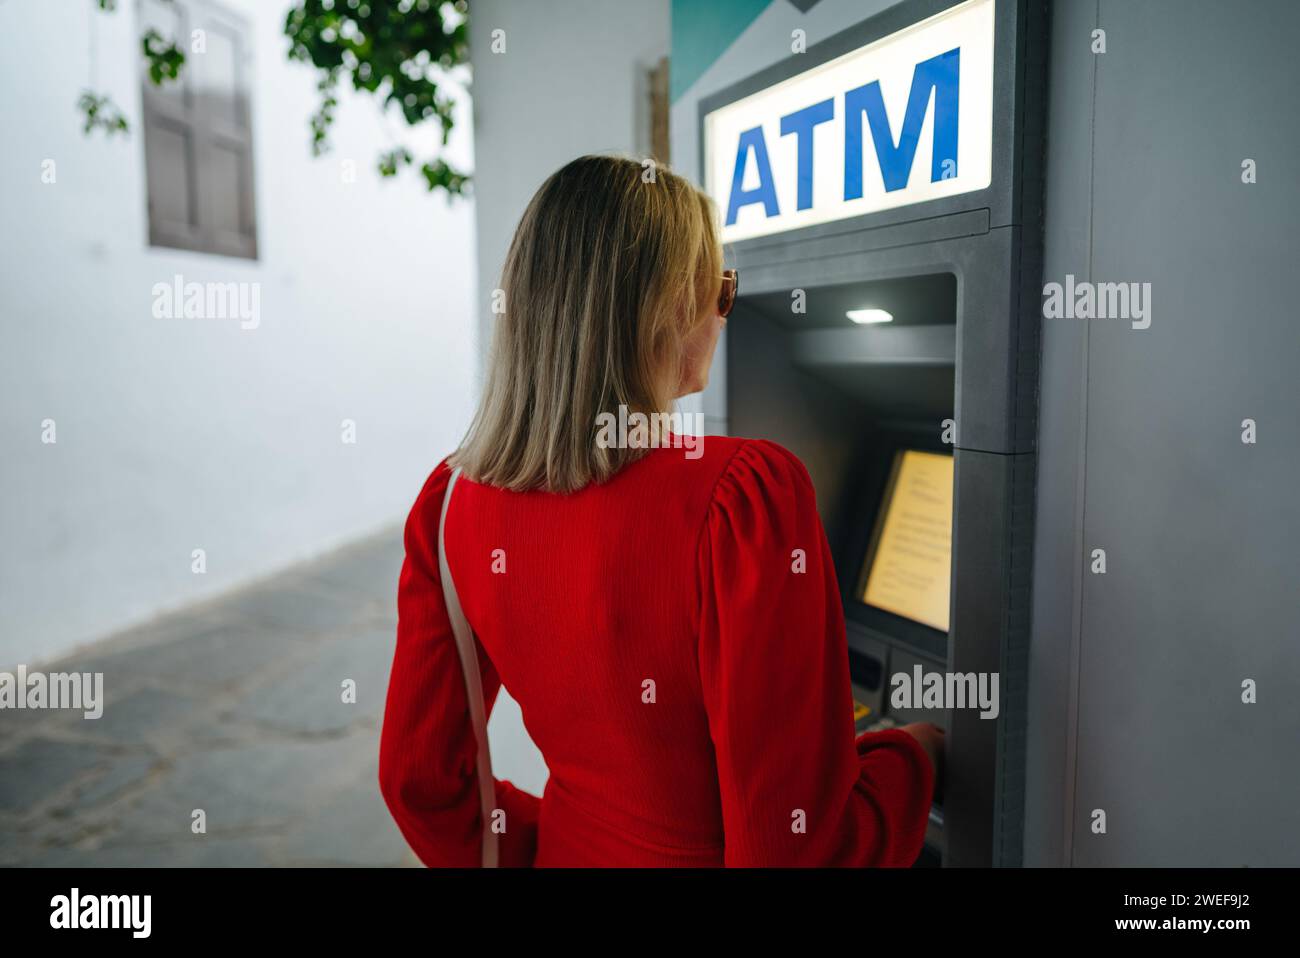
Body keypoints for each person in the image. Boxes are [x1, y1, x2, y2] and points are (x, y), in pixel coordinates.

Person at [379, 154, 943, 867]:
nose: (722, 314)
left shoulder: (452, 501)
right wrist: (911, 761)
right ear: (675, 301)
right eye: (722, 290)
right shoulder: (744, 495)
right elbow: (801, 849)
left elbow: (419, 781)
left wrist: (549, 844)